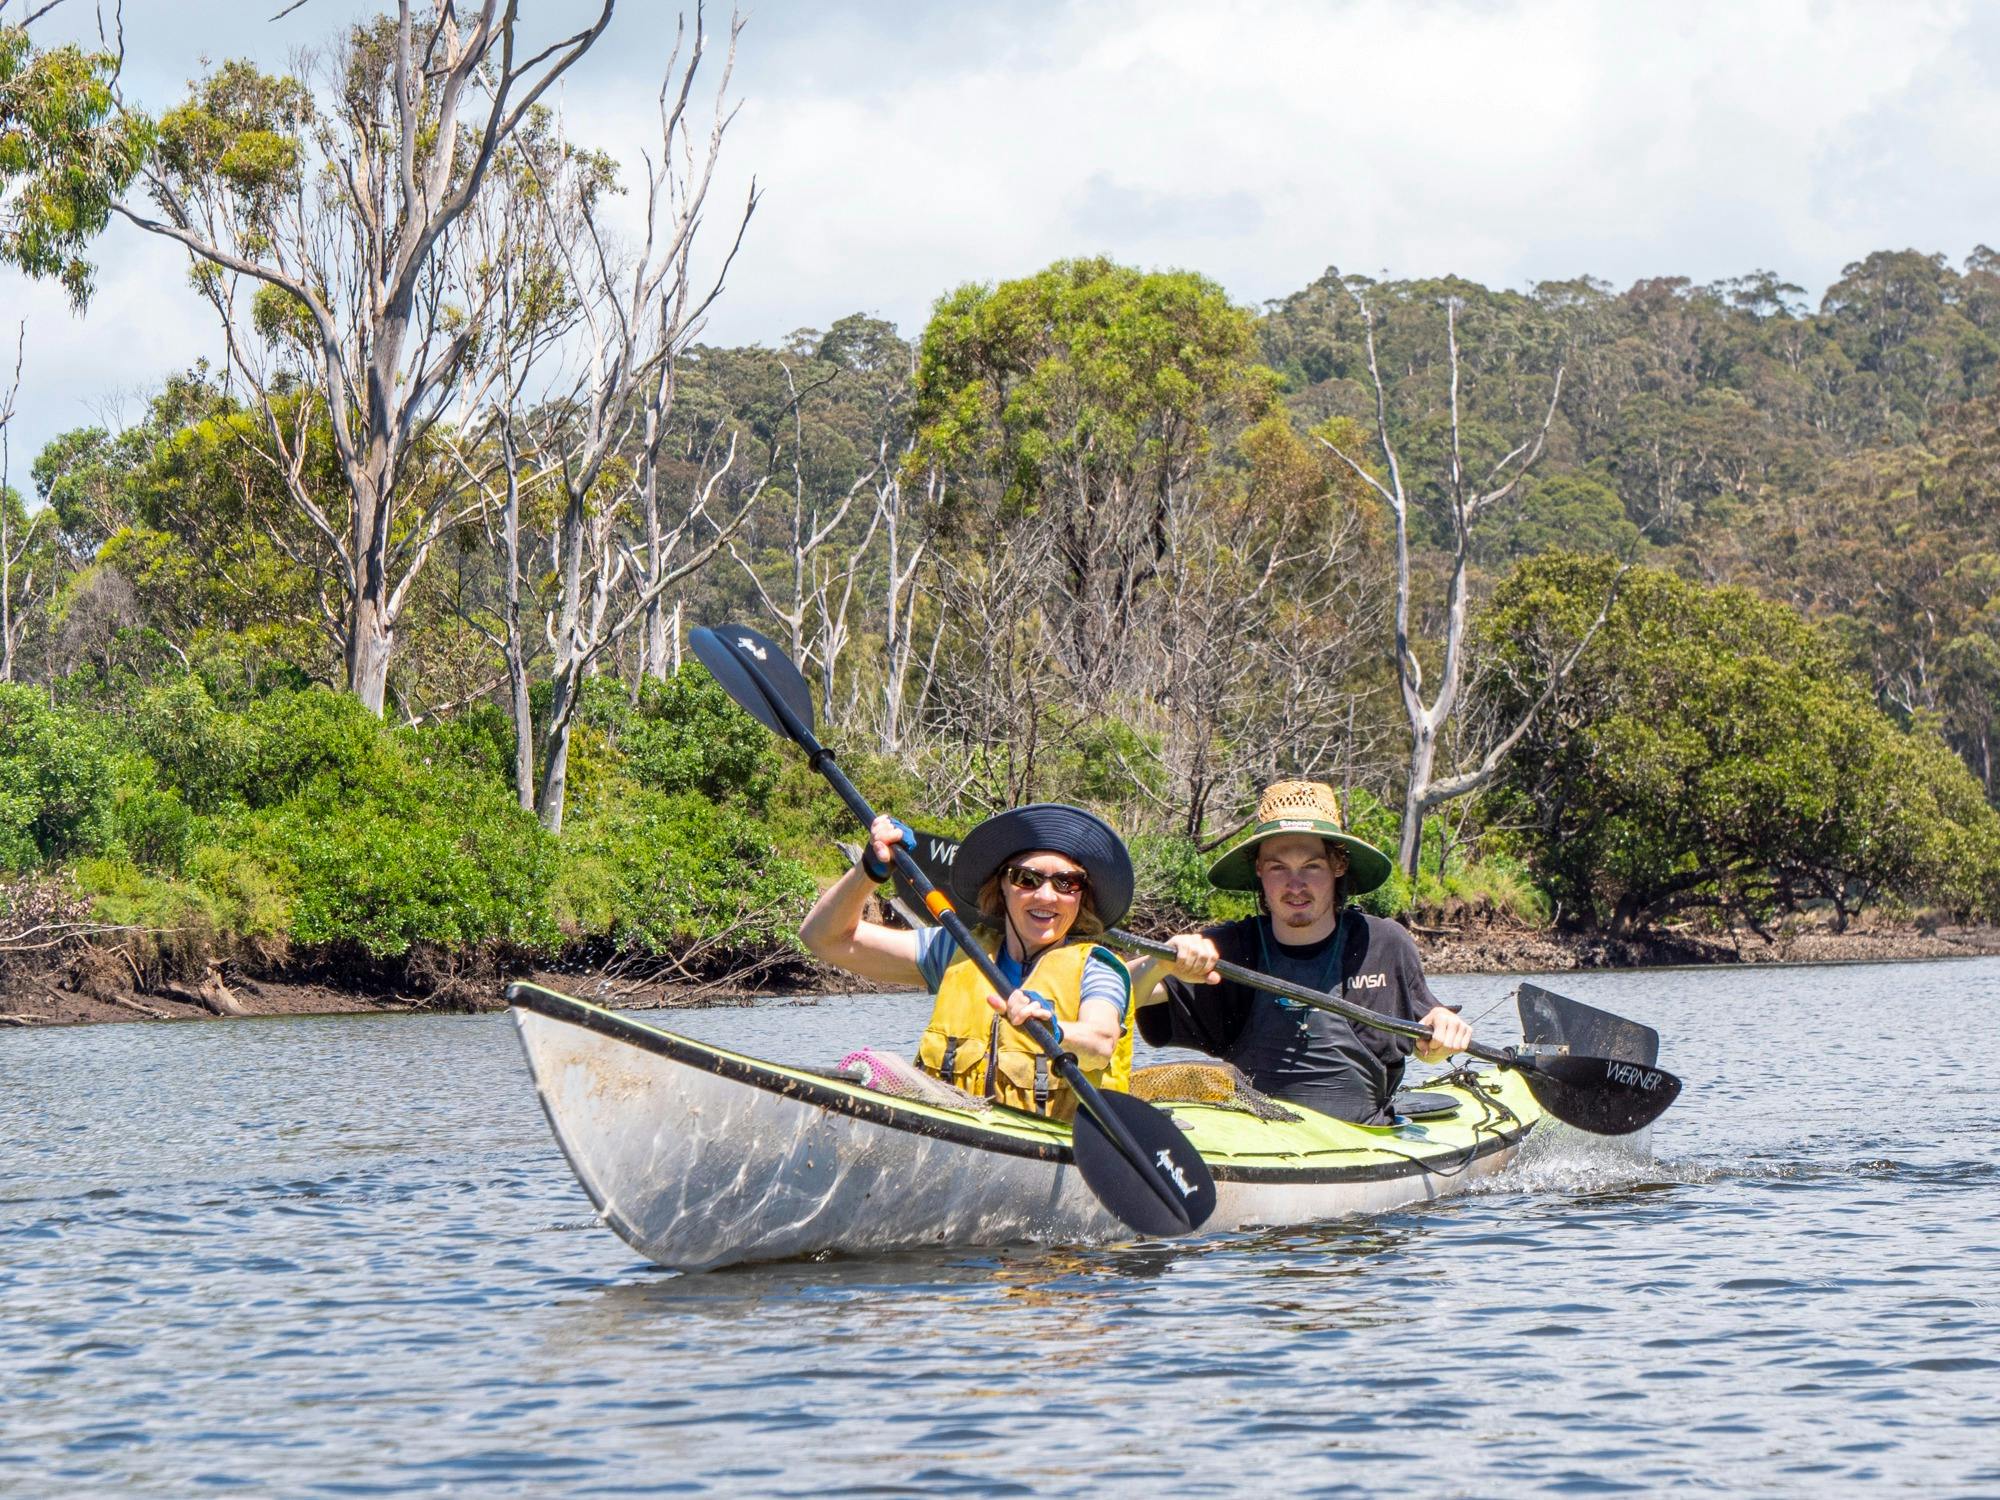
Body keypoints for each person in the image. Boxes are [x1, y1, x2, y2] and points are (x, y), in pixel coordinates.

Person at [1130, 780, 1473, 1124]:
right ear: (1259, 870)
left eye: (1311, 866)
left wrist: (1444, 1030)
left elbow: (1428, 1043)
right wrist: (1158, 963)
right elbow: (1111, 991)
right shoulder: (1227, 950)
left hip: (1364, 1137)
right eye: (1278, 867)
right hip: (1257, 1139)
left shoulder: (1383, 942)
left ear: (1338, 866)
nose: (1295, 886)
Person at [800, 803, 1136, 1120]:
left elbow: (1101, 1041)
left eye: (1067, 882)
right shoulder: (953, 950)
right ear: (1002, 886)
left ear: (1082, 896)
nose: (1046, 896)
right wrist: (869, 870)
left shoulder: (1098, 968)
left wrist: (1055, 1030)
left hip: (1051, 1155)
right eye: (1026, 878)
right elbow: (824, 938)